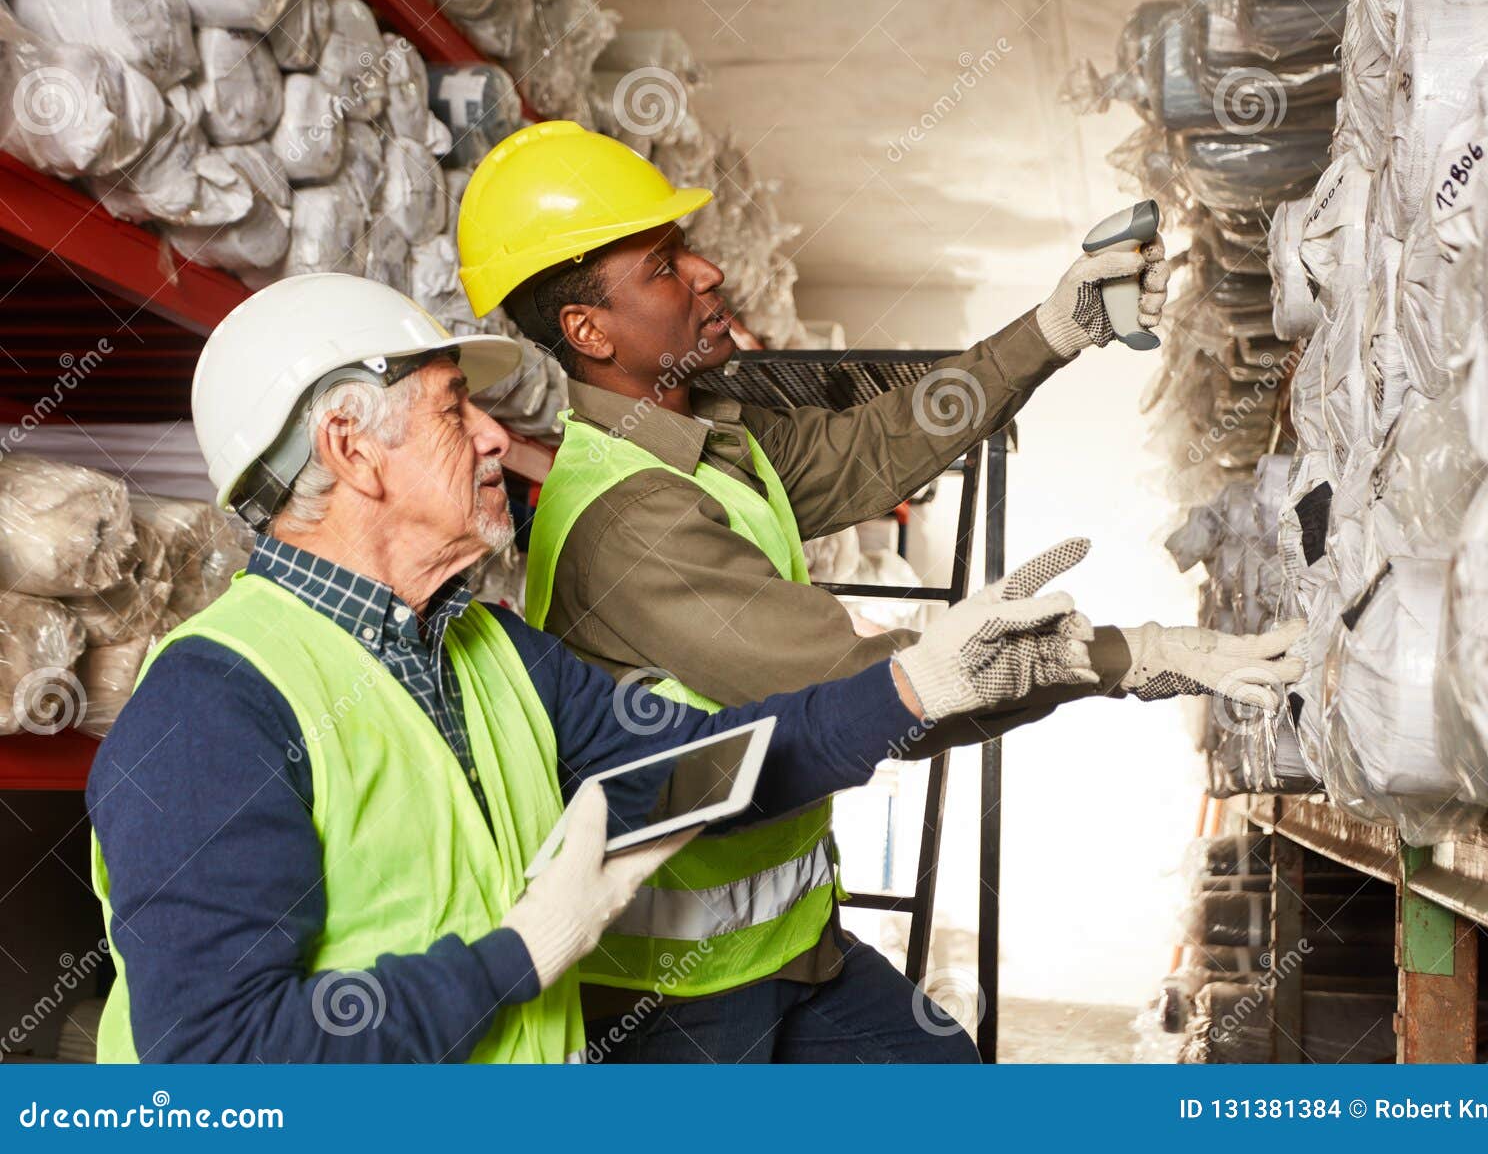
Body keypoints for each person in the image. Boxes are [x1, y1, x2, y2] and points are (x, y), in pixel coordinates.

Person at [85, 273, 1184, 1064]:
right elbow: (220, 1065)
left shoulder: (483, 647)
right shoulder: (212, 712)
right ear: (346, 446)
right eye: (451, 412)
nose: (489, 443)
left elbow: (702, 764)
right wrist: (518, 955)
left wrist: (908, 690)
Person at [455, 121, 1304, 1063]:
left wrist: (1054, 331)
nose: (704, 273)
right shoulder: (630, 521)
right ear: (588, 330)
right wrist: (1130, 655)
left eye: (684, 249)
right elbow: (877, 688)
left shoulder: (709, 437)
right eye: (662, 266)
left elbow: (874, 446)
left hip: (789, 947)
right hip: (677, 997)